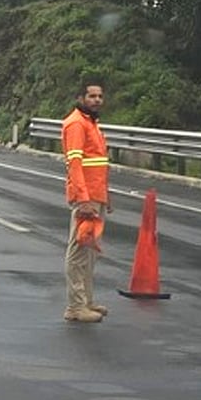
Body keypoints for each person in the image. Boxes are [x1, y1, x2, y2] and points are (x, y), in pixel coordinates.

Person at [61, 82, 113, 323]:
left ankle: (87, 301)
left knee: (90, 252)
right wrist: (83, 199)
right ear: (81, 98)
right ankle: (75, 306)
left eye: (100, 96)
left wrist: (105, 196)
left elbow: (99, 164)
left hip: (96, 195)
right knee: (79, 251)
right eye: (92, 96)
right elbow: (75, 164)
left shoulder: (92, 124)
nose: (97, 100)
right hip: (86, 198)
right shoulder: (76, 124)